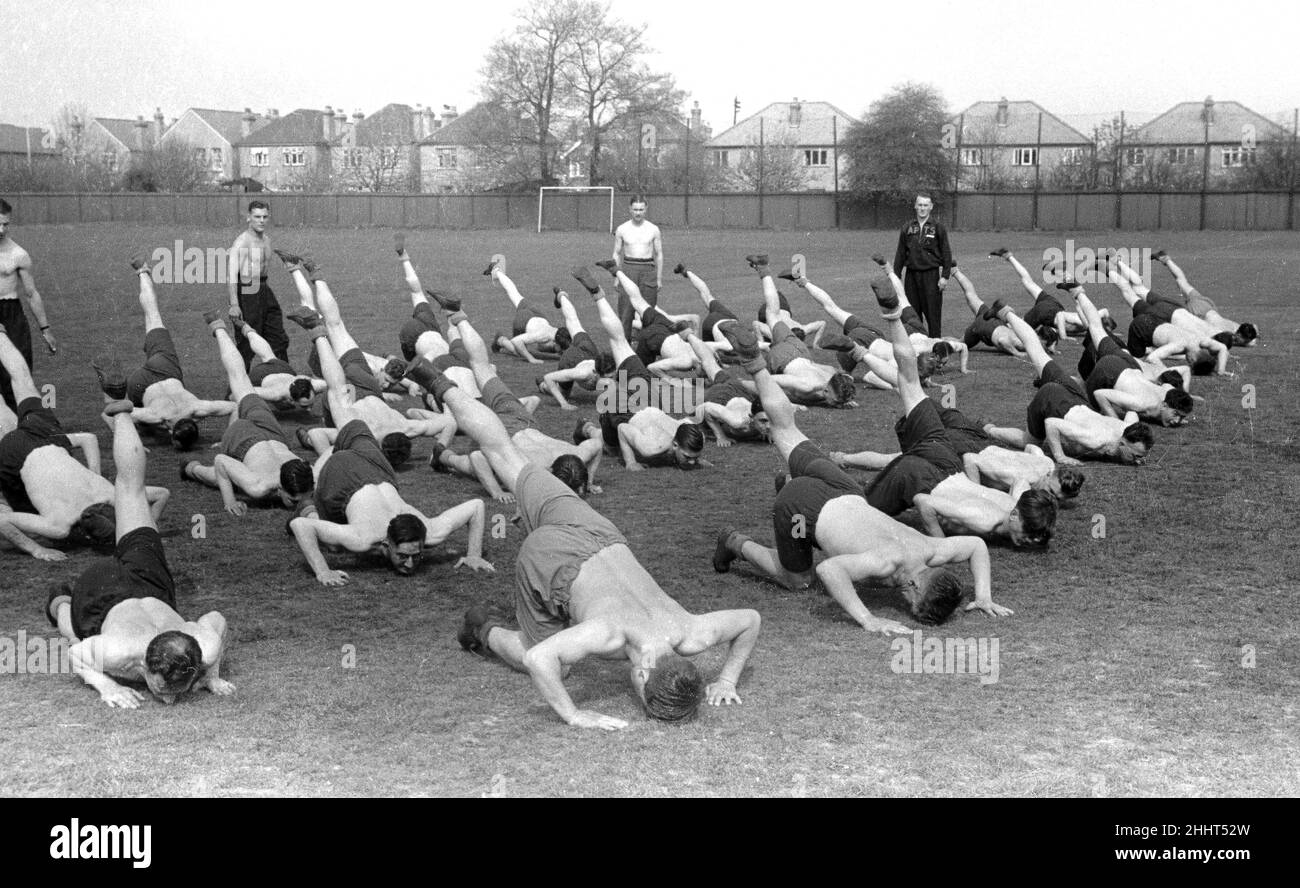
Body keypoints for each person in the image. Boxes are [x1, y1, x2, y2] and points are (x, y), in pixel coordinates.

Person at [425, 366, 760, 730]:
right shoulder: (608, 633)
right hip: (551, 557)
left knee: (506, 454)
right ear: (644, 674)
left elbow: (750, 619)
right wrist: (573, 714)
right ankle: (483, 628)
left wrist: (726, 679)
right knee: (559, 666)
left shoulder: (694, 631)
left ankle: (442, 384)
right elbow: (539, 658)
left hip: (597, 530)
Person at [710, 321, 1010, 632]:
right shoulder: (886, 563)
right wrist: (868, 619)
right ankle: (734, 541)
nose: (906, 602)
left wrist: (984, 596)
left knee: (786, 428)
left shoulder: (933, 551)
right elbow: (830, 570)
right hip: (801, 506)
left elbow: (976, 545)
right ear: (918, 588)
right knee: (799, 579)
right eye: (913, 604)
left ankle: (755, 364)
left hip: (845, 487)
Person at [44, 400, 233, 709]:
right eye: (164, 688)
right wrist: (106, 686)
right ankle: (60, 599)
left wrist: (211, 674)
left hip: (148, 582)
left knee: (132, 487)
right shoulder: (119, 651)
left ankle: (120, 407)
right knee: (76, 637)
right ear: (145, 665)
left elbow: (217, 619)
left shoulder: (206, 646)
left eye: (180, 688)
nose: (171, 700)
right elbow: (76, 657)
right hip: (100, 592)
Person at [286, 323, 493, 585]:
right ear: (386, 544)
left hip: (377, 467)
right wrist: (322, 571)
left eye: (415, 556)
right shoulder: (363, 537)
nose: (410, 563)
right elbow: (300, 527)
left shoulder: (430, 531)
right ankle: (318, 334)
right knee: (339, 401)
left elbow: (477, 506)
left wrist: (474, 554)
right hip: (342, 477)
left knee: (341, 403)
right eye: (404, 556)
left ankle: (320, 335)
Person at [846, 296, 1058, 547]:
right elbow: (925, 504)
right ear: (1015, 516)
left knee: (911, 385)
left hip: (947, 461)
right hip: (922, 477)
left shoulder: (1016, 503)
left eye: (1034, 536)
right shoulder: (983, 521)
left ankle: (892, 316)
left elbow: (1022, 483)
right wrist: (941, 546)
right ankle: (809, 491)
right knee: (856, 512)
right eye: (1029, 532)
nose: (1030, 540)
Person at [0, 325, 168, 560]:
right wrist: (37, 550)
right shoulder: (59, 526)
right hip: (17, 454)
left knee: (23, 381)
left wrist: (151, 525)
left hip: (50, 438)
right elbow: (2, 520)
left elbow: (162, 493)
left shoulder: (111, 493)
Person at [408, 311, 607, 500]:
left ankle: (460, 318)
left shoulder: (578, 455)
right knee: (474, 466)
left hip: (521, 416)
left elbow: (597, 444)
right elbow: (479, 457)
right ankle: (444, 456)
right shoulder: (530, 468)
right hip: (502, 431)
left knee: (482, 367)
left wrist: (587, 482)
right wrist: (496, 492)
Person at [281, 255, 455, 461]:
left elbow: (449, 423)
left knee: (337, 326)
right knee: (335, 390)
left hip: (368, 385)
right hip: (348, 402)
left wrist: (441, 448)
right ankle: (315, 329)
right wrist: (327, 459)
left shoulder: (408, 428)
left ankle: (317, 275)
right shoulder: (366, 438)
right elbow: (317, 433)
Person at [981, 304, 1153, 467]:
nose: (1138, 462)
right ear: (1122, 443)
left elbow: (1132, 414)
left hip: (1075, 396)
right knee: (1030, 442)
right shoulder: (1095, 440)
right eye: (1136, 456)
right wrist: (1060, 456)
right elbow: (1051, 423)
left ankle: (1006, 312)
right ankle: (990, 430)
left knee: (1037, 352)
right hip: (1054, 400)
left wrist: (1112, 418)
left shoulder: (1128, 427)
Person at [179, 312, 316, 514]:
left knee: (240, 379)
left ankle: (189, 468)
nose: (304, 504)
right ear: (280, 490)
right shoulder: (258, 486)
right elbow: (221, 461)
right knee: (239, 377)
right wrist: (230, 502)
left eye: (307, 498)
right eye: (295, 501)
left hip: (272, 432)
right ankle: (218, 327)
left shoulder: (309, 477)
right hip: (243, 439)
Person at [90, 257, 235, 448]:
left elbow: (109, 412)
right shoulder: (156, 417)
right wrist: (227, 441)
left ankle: (142, 271)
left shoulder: (197, 408)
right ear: (172, 431)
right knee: (137, 421)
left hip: (164, 368)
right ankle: (143, 273)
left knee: (153, 315)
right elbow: (108, 412)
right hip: (140, 383)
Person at [1071, 286, 1193, 427]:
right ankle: (1067, 382)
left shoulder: (1168, 390)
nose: (1176, 421)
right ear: (1164, 405)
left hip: (1129, 364)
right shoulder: (1141, 403)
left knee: (1096, 327)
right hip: (1109, 370)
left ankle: (1078, 291)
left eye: (1180, 417)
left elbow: (1175, 384)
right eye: (1176, 414)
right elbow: (1100, 394)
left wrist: (1183, 402)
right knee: (1091, 407)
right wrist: (1116, 421)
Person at [1104, 253, 1234, 376]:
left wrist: (1221, 369)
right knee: (1131, 294)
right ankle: (1108, 270)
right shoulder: (1186, 344)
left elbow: (1222, 348)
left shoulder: (1202, 338)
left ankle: (1118, 261)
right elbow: (1156, 356)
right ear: (1193, 359)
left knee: (1139, 288)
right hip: (1160, 318)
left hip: (1173, 308)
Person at [0, 197, 56, 411]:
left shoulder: (18, 254)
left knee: (18, 372)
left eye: (6, 224)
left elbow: (32, 294)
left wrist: (45, 329)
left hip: (11, 312)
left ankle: (22, 429)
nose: (2, 229)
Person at [990, 247, 1110, 344]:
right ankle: (997, 314)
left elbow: (1104, 311)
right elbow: (1061, 315)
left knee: (1028, 281)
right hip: (1047, 312)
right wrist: (1063, 336)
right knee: (1016, 328)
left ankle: (1009, 256)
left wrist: (1108, 324)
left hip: (1052, 304)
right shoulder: (1088, 322)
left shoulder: (1092, 318)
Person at [228, 200, 290, 368]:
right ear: (248, 218)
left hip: (264, 289)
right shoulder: (242, 242)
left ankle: (285, 378)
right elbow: (232, 275)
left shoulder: (267, 240)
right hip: (247, 290)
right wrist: (234, 304)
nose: (261, 220)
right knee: (247, 342)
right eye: (257, 217)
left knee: (278, 338)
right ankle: (237, 388)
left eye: (265, 217)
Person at [1153, 250, 1257, 346]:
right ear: (1239, 336)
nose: (1247, 343)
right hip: (1199, 312)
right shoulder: (1227, 335)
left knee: (1182, 281)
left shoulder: (1237, 326)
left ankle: (1166, 260)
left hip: (1208, 305)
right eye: (1246, 340)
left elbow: (1254, 329)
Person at [536, 288, 615, 411]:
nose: (611, 381)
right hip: (570, 360)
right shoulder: (582, 373)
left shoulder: (609, 367)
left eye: (612, 377)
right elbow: (549, 377)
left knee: (574, 321)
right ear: (595, 373)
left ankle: (561, 296)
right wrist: (564, 404)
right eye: (608, 378)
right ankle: (541, 385)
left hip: (587, 349)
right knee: (563, 395)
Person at [892, 194, 952, 337]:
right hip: (911, 276)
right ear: (915, 206)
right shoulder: (907, 227)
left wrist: (944, 277)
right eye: (920, 205)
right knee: (912, 315)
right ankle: (916, 347)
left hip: (931, 276)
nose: (922, 208)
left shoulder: (938, 227)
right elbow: (900, 253)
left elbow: (946, 253)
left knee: (933, 314)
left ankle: (936, 346)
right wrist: (895, 277)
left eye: (925, 205)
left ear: (931, 207)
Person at [484, 255, 563, 363]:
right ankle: (500, 340)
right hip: (523, 321)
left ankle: (496, 271)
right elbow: (517, 341)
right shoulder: (543, 336)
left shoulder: (562, 334)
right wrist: (531, 359)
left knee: (514, 293)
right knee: (519, 350)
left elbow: (544, 347)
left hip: (537, 314)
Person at [611, 195, 663, 339]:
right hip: (628, 269)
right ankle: (625, 348)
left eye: (641, 209)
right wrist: (616, 277)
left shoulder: (653, 229)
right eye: (635, 209)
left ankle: (647, 348)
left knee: (648, 312)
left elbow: (659, 254)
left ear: (646, 209)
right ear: (630, 209)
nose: (638, 213)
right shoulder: (622, 229)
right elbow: (616, 253)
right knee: (626, 312)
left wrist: (658, 278)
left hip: (648, 270)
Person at [949, 267, 1027, 357]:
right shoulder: (1020, 343)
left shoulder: (1021, 332)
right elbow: (1002, 341)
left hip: (989, 316)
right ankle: (936, 342)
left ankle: (955, 271)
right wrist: (1017, 353)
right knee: (959, 343)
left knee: (971, 294)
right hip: (982, 327)